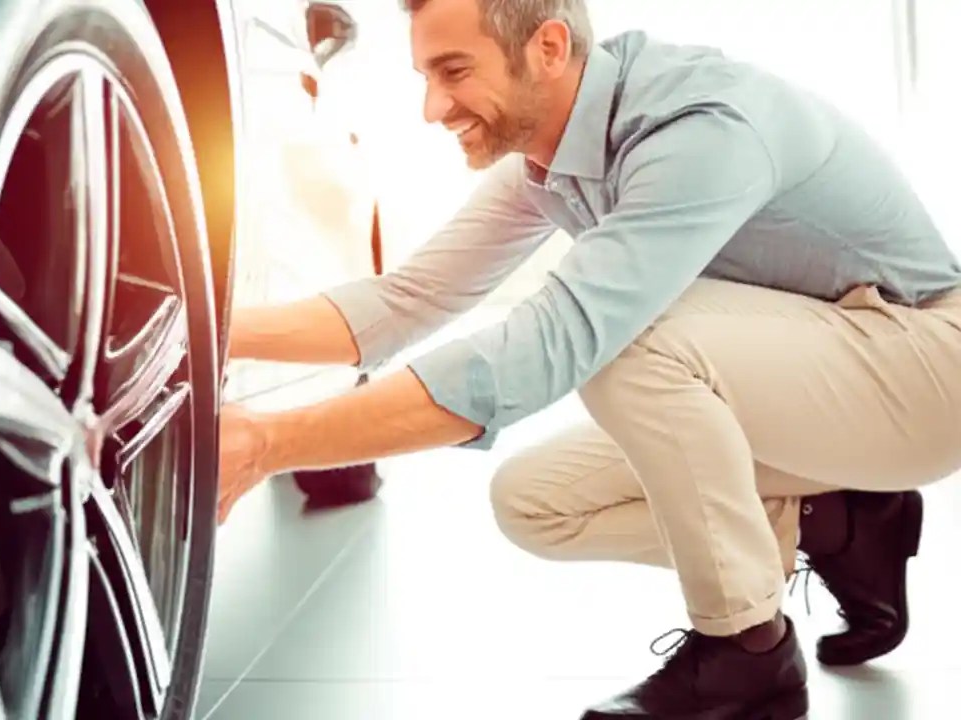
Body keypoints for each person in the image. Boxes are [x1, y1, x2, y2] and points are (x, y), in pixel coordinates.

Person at [216, 0, 961, 717]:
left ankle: (747, 652)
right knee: (536, 503)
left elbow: (550, 342)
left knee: (629, 338)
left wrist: (267, 443)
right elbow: (405, 300)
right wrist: (203, 328)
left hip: (925, 366)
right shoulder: (552, 158)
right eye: (425, 78)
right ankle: (839, 520)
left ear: (546, 48)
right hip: (830, 374)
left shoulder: (697, 131)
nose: (432, 109)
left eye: (453, 72)